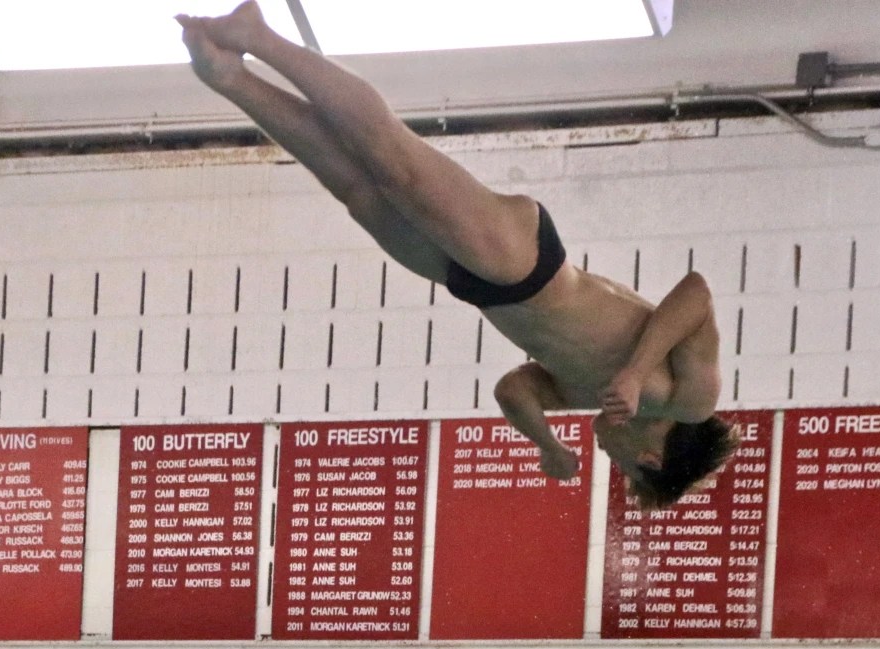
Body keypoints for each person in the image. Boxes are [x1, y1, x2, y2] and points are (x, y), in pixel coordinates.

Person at [176, 1, 740, 508]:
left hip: (478, 287)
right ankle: (260, 35)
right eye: (620, 470)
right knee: (391, 160)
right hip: (526, 264)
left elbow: (514, 389)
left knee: (359, 192)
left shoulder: (599, 397)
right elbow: (697, 294)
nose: (608, 459)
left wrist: (546, 444)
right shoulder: (688, 401)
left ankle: (230, 79)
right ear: (650, 461)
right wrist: (639, 371)